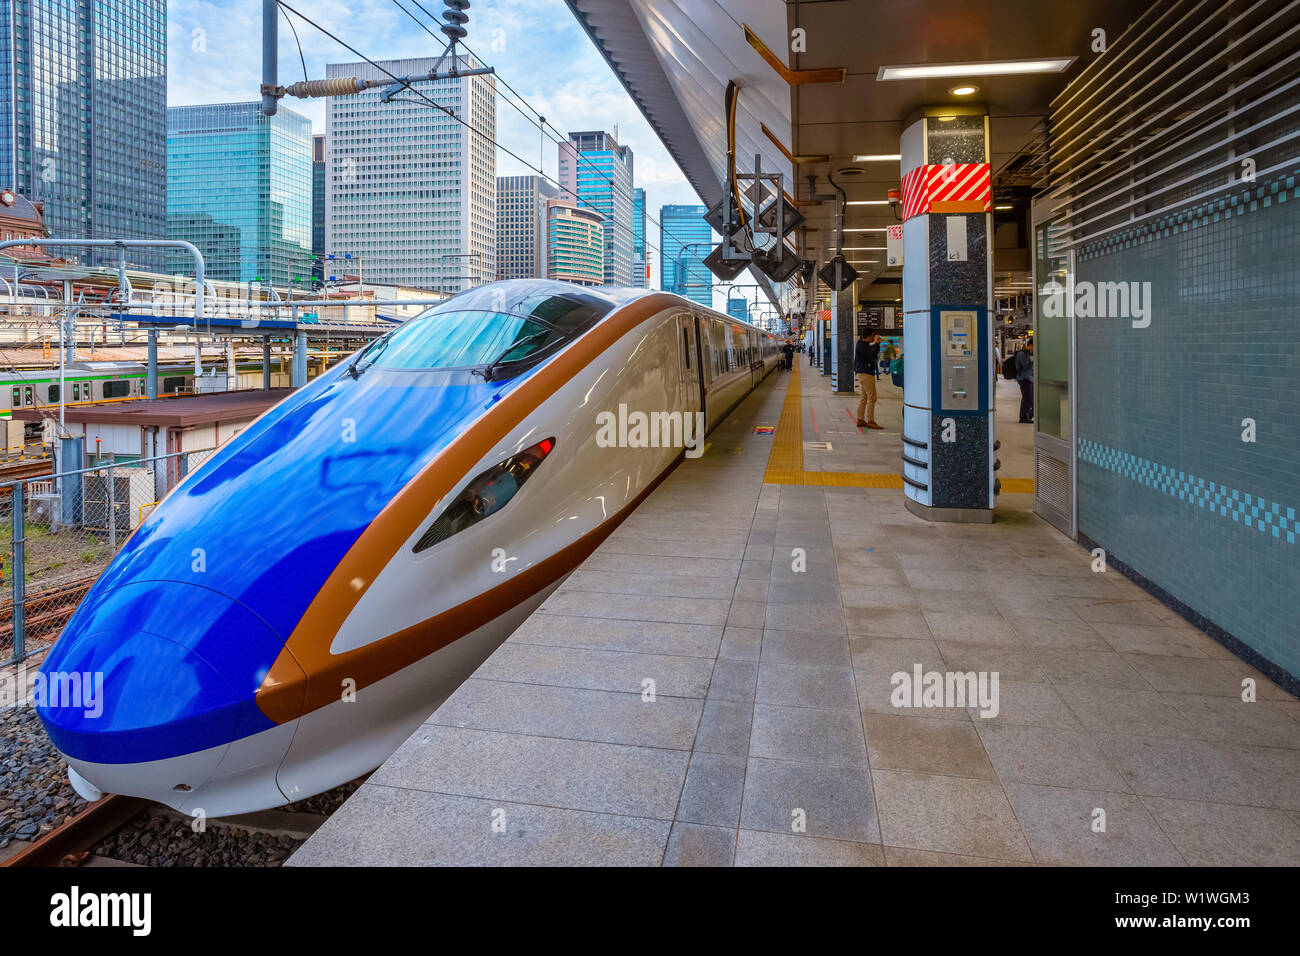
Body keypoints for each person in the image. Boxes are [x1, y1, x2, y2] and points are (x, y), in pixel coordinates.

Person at [855, 332, 882, 429]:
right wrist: (877, 344)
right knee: (872, 397)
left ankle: (861, 419)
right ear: (868, 336)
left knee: (864, 398)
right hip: (866, 374)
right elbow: (872, 355)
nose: (874, 338)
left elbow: (870, 353)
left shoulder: (862, 344)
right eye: (872, 336)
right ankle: (870, 421)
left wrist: (875, 344)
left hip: (863, 373)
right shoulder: (862, 346)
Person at [1015, 339, 1034, 423]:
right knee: (1027, 399)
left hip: (1029, 378)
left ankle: (1027, 416)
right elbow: (1026, 366)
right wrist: (1034, 361)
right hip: (1024, 379)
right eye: (1034, 347)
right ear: (1030, 345)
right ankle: (1023, 418)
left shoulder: (1027, 353)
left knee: (1029, 399)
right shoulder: (1022, 354)